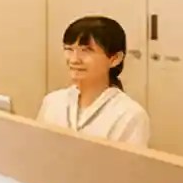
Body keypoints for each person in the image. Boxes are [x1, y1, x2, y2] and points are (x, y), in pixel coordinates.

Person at [38, 16, 150, 147]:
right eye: (69, 49)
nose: (74, 59)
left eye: (86, 51)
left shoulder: (130, 115)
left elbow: (129, 166)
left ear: (115, 59)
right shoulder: (52, 101)